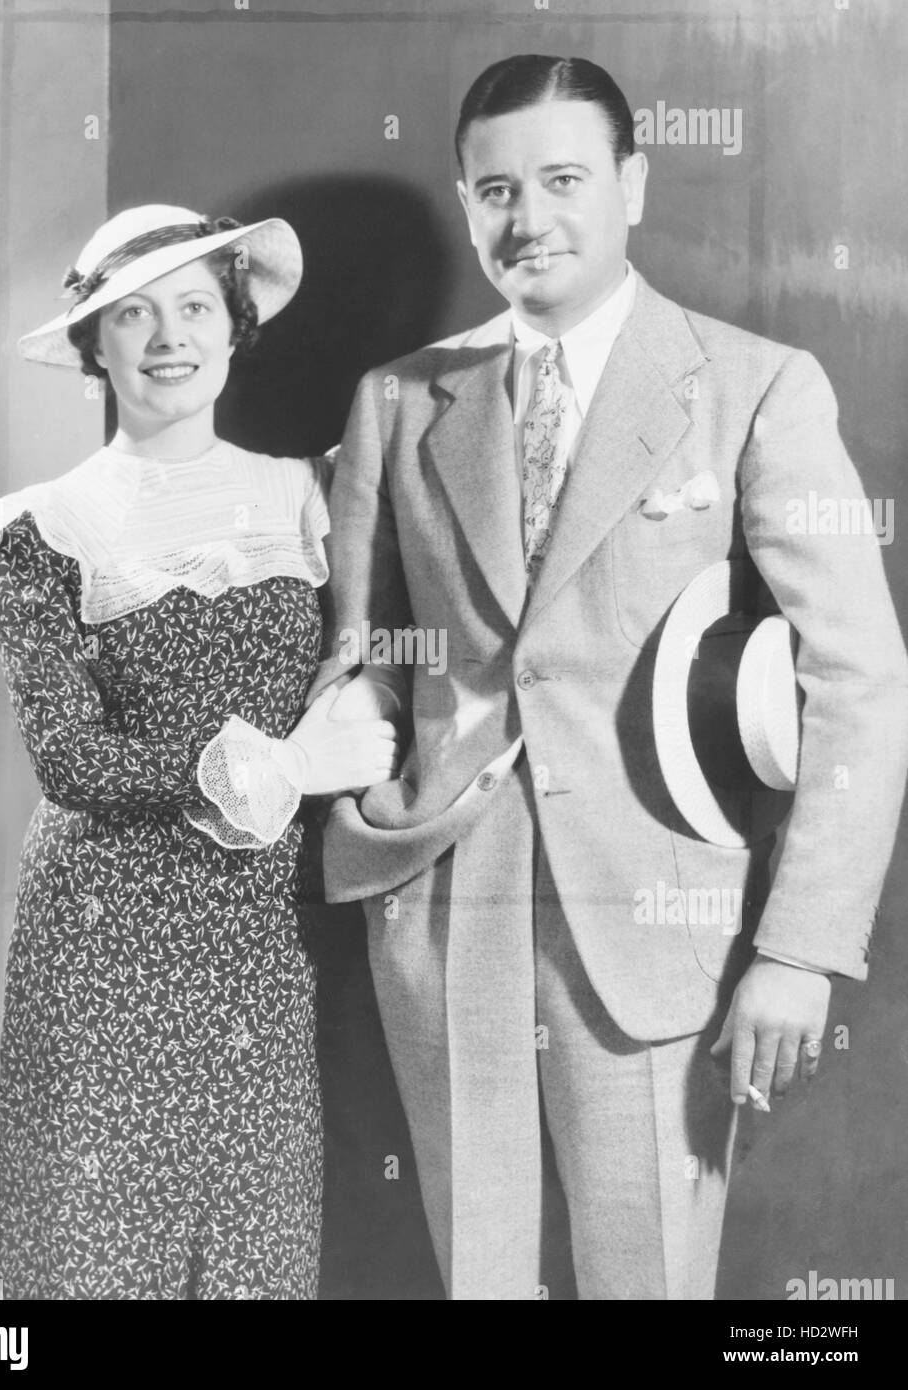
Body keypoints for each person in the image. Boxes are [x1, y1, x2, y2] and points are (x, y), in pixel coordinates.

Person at [311, 55, 908, 1299]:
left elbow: (860, 679)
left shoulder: (752, 388)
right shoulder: (399, 401)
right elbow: (357, 664)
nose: (526, 218)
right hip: (441, 909)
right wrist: (342, 777)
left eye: (563, 179)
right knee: (473, 1278)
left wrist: (797, 952)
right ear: (467, 202)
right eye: (495, 190)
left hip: (656, 921)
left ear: (631, 185)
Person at [0, 204, 398, 1300]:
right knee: (96, 1257)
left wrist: (350, 728)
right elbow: (70, 759)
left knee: (254, 1257)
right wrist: (285, 769)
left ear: (236, 323)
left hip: (255, 935)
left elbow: (375, 656)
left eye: (196, 306)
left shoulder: (309, 495)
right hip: (103, 936)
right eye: (133, 315)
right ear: (90, 346)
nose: (168, 337)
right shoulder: (40, 528)